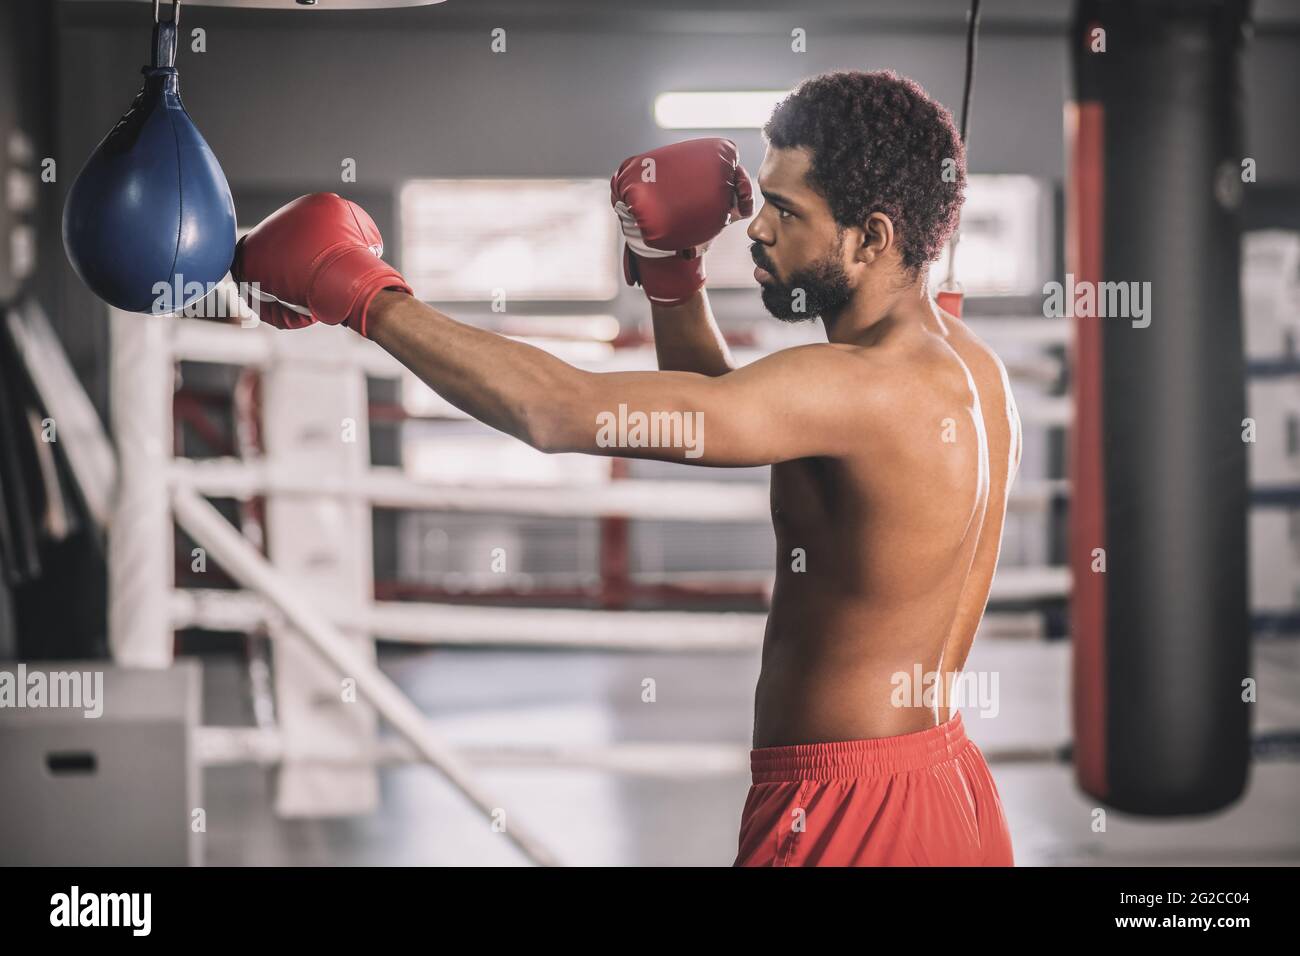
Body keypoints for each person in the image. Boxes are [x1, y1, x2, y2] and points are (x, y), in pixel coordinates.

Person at [232, 69, 1019, 866]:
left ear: (872, 237)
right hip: (948, 789)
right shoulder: (966, 371)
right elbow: (723, 411)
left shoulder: (861, 388)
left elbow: (558, 411)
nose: (757, 229)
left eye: (787, 212)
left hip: (853, 816)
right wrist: (672, 277)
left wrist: (363, 292)